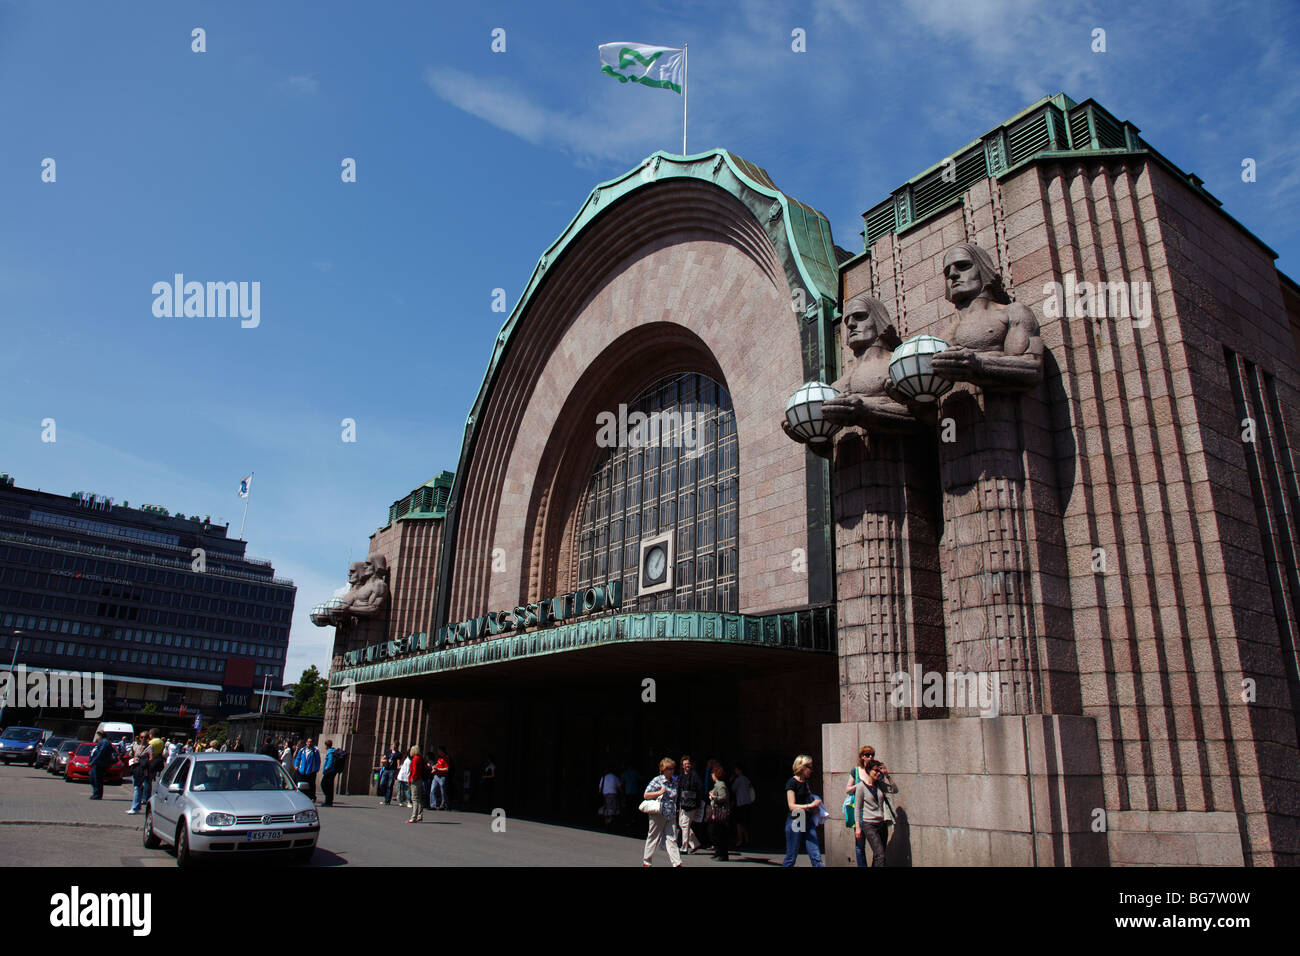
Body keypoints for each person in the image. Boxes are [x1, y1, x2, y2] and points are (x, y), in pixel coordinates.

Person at [854, 759, 899, 867]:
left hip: (881, 823)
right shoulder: (860, 787)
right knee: (880, 855)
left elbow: (894, 790)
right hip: (869, 824)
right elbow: (857, 808)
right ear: (868, 770)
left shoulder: (880, 785)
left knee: (878, 855)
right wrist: (858, 827)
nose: (878, 773)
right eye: (875, 770)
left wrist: (887, 775)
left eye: (879, 771)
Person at [782, 754, 824, 867]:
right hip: (796, 819)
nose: (811, 770)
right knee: (791, 856)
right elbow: (791, 806)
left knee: (815, 854)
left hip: (807, 819)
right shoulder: (792, 782)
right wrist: (810, 805)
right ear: (802, 767)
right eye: (809, 767)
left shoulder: (805, 782)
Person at [642, 758, 681, 867]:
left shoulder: (675, 781)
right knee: (653, 837)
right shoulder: (657, 780)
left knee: (672, 839)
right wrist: (659, 792)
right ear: (663, 770)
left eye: (672, 768)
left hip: (671, 814)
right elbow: (646, 795)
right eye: (669, 769)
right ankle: (647, 862)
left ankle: (677, 864)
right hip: (658, 813)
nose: (671, 771)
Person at [675, 755, 706, 854]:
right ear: (682, 765)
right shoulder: (681, 776)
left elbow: (700, 789)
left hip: (691, 804)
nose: (687, 765)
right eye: (685, 764)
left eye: (688, 764)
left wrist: (697, 802)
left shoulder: (695, 776)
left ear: (691, 765)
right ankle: (695, 843)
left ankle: (684, 847)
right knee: (682, 824)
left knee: (685, 825)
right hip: (682, 803)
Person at [706, 764, 731, 861]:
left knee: (719, 833)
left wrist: (714, 797)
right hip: (716, 811)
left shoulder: (720, 785)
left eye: (712, 773)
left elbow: (723, 797)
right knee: (714, 832)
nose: (711, 775)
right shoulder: (717, 784)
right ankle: (718, 852)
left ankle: (723, 854)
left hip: (720, 812)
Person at [731, 764, 755, 848]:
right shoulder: (747, 779)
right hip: (747, 802)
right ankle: (747, 839)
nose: (735, 771)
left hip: (740, 802)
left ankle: (740, 840)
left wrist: (731, 780)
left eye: (736, 770)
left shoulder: (738, 780)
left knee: (739, 823)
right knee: (745, 822)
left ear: (740, 771)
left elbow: (733, 789)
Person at [125, 734, 151, 814]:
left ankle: (134, 807)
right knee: (137, 787)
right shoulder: (136, 746)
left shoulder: (149, 747)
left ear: (148, 738)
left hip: (142, 769)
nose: (143, 739)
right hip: (136, 768)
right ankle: (137, 806)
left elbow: (151, 758)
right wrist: (133, 758)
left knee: (137, 787)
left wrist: (141, 760)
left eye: (145, 737)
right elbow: (132, 755)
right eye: (141, 737)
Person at [87, 732, 113, 801]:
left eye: (98, 736)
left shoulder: (104, 742)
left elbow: (100, 753)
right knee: (92, 778)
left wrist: (93, 762)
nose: (97, 737)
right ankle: (96, 793)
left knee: (97, 779)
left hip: (100, 764)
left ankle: (97, 795)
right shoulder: (102, 742)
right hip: (97, 763)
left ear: (101, 736)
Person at [295, 738, 321, 803]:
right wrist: (296, 765)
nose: (309, 743)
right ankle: (302, 796)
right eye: (308, 742)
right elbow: (298, 758)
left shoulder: (315, 751)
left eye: (311, 742)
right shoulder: (302, 750)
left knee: (311, 785)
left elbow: (318, 760)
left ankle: (312, 797)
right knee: (302, 784)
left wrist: (317, 769)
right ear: (306, 743)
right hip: (302, 771)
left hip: (311, 771)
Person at [407, 746, 427, 823]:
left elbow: (414, 770)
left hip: (415, 780)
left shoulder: (415, 759)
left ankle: (413, 816)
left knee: (415, 799)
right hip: (420, 780)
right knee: (419, 799)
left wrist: (412, 779)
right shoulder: (420, 758)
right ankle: (419, 816)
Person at [620, 763, 640, 827]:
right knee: (634, 806)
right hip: (634, 791)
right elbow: (640, 779)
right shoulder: (635, 772)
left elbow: (621, 783)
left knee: (628, 807)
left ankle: (628, 820)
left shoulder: (625, 773)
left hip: (627, 792)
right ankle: (633, 819)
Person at [321, 740, 339, 807]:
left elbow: (330, 760)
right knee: (329, 786)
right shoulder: (333, 751)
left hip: (329, 771)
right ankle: (329, 801)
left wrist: (327, 767)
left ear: (326, 745)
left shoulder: (330, 752)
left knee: (324, 784)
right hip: (332, 771)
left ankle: (328, 801)